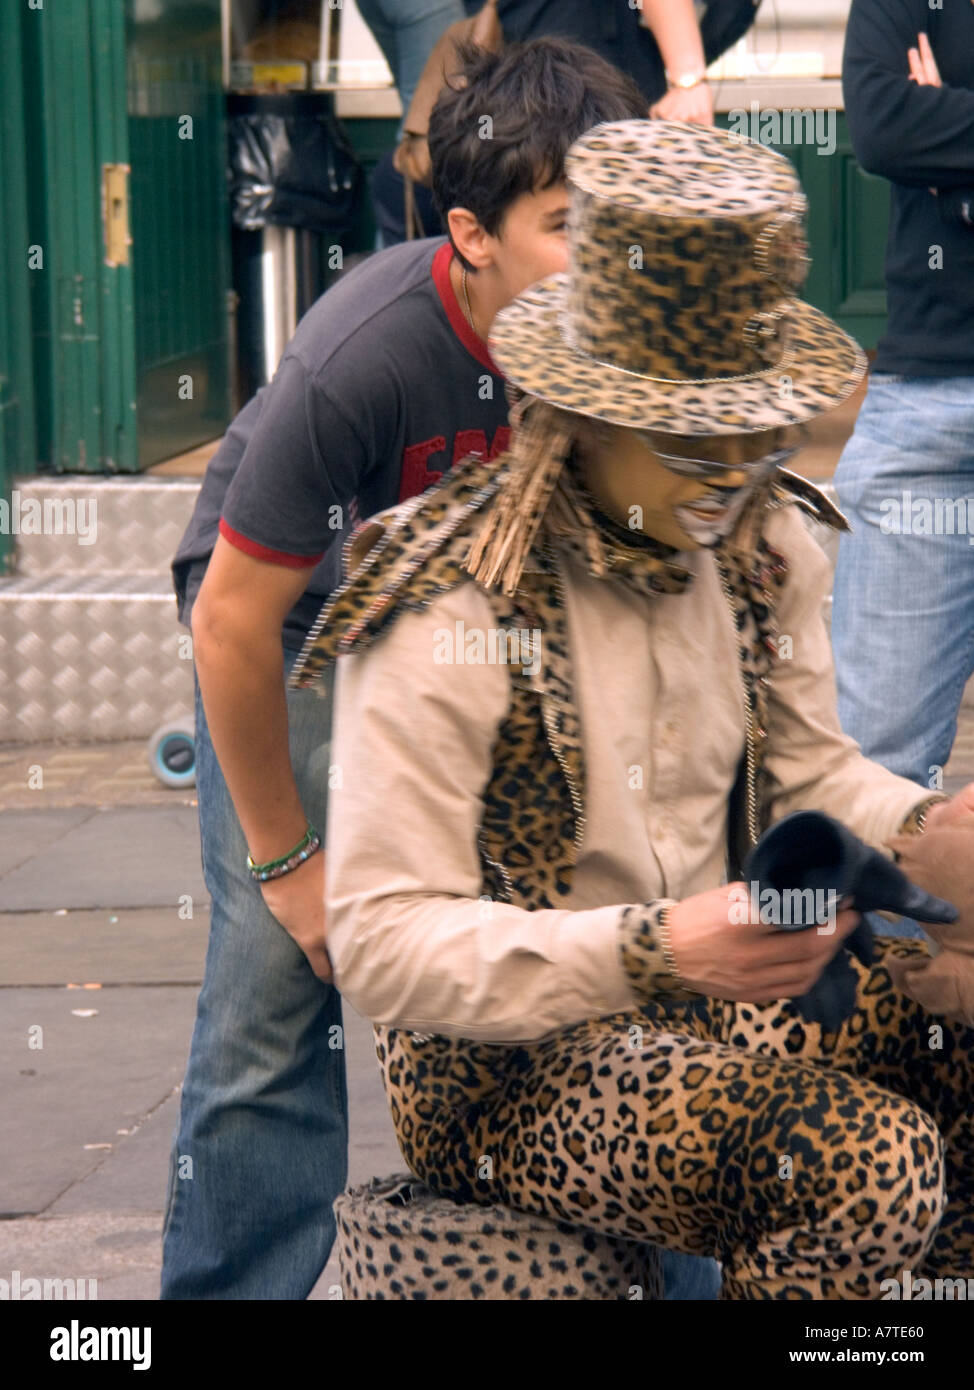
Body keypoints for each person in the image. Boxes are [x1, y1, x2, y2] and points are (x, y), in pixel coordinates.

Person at [300, 119, 974, 1298]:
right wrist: (662, 947)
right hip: (509, 1062)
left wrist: (928, 834)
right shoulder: (450, 592)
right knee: (864, 1164)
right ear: (584, 408)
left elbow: (809, 781)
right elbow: (380, 938)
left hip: (717, 1002)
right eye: (690, 435)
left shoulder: (761, 539)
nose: (729, 470)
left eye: (757, 428)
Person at [162, 38, 648, 1300]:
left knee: (626, 932)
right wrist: (291, 865)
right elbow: (229, 621)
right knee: (279, 981)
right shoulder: (365, 352)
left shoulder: (626, 333)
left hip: (487, 620)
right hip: (298, 628)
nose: (606, 254)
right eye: (565, 224)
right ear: (473, 237)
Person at [831, 2, 974, 815]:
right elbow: (885, 129)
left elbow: (913, 135)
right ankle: (870, 947)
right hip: (926, 406)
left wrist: (949, 165)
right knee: (871, 773)